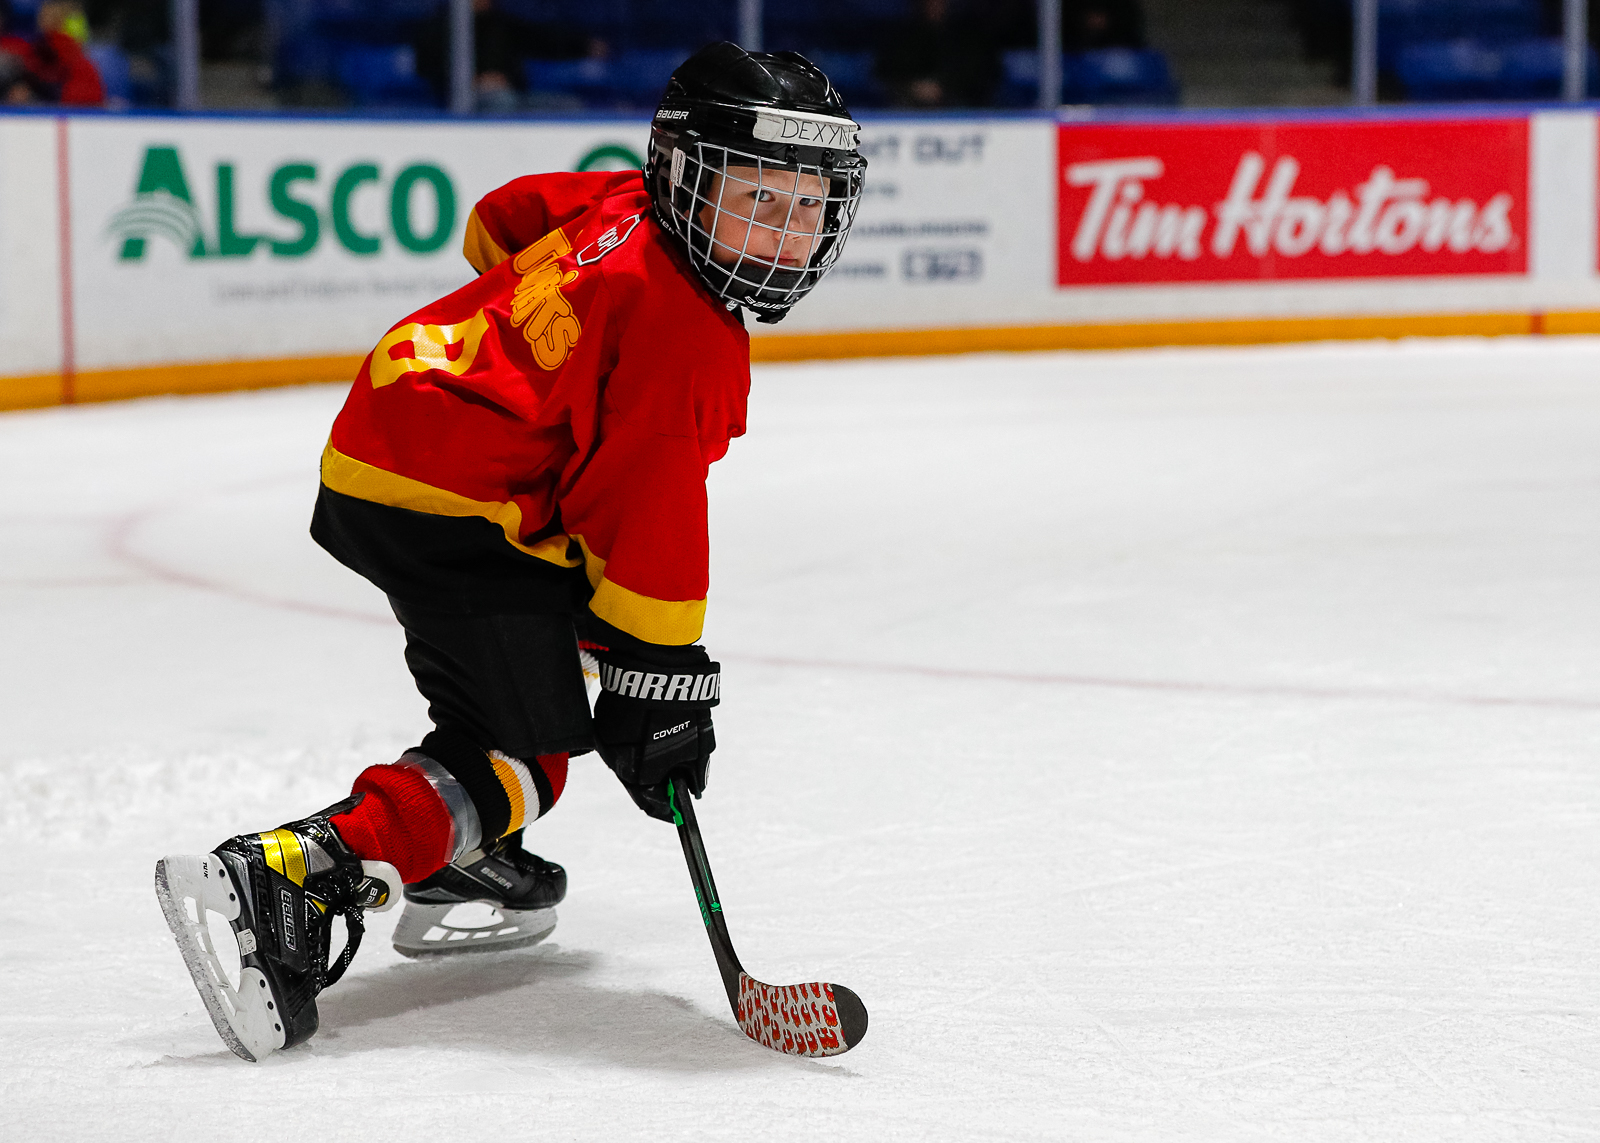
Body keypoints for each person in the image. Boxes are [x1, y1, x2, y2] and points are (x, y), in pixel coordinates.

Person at [154, 40, 867, 1063]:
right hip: (450, 497)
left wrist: (544, 342)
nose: (785, 233)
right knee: (524, 754)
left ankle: (455, 849)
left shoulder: (626, 202)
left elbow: (501, 217)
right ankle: (298, 871)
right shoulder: (690, 335)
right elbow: (647, 512)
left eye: (806, 206)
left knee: (545, 652)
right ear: (685, 175)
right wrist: (659, 685)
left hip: (401, 429)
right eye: (757, 197)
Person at [875, 0, 1001, 108]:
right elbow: (885, 74)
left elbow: (982, 74)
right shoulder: (902, 37)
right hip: (909, 105)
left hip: (960, 105)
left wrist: (944, 88)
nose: (934, 5)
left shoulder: (969, 37)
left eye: (939, 1)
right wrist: (911, 87)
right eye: (929, 2)